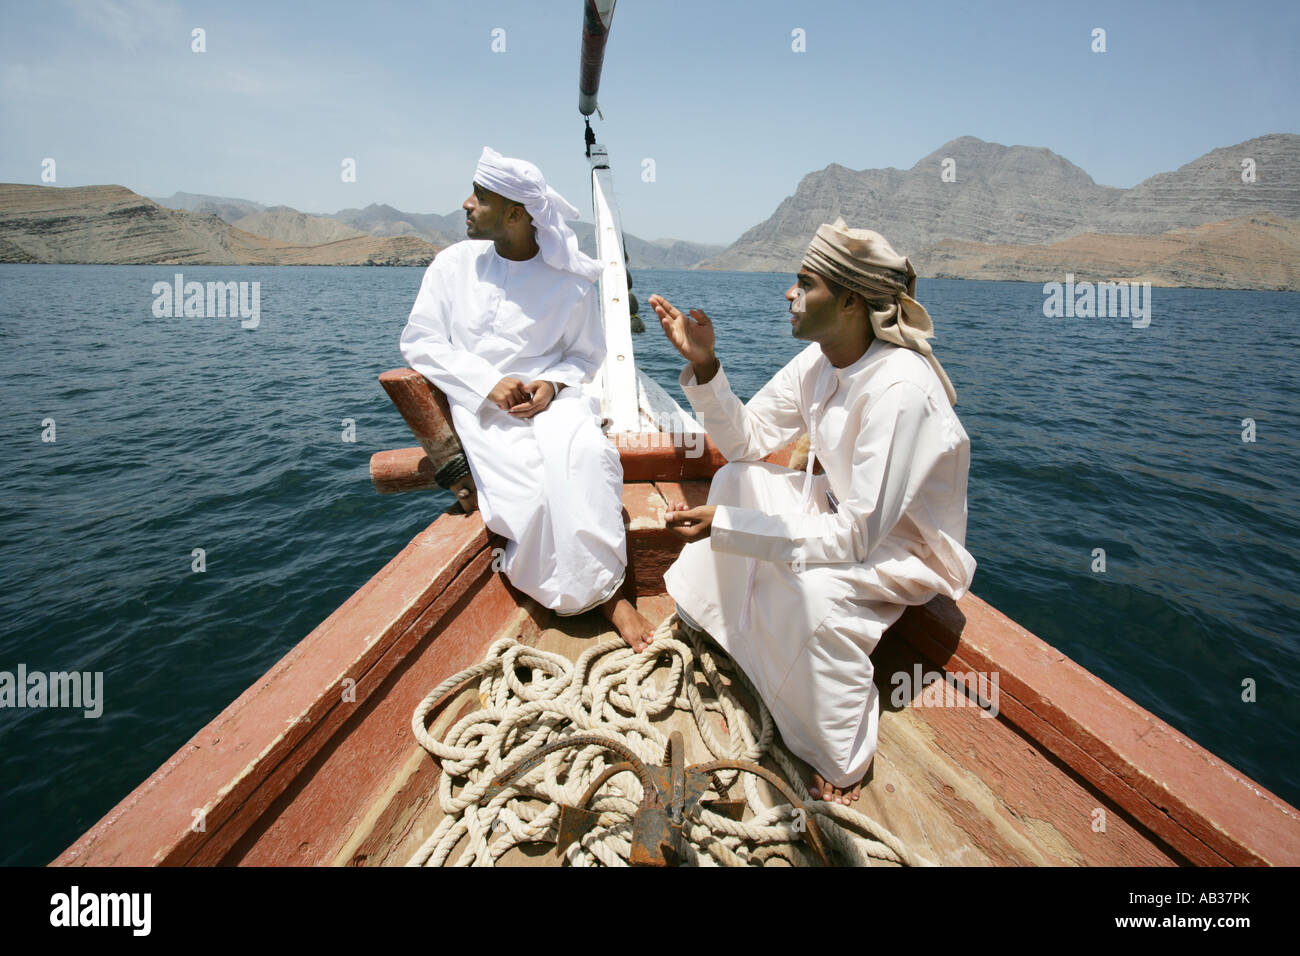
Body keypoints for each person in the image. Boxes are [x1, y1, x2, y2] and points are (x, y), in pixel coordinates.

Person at [648, 219, 976, 804]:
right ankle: (717, 626)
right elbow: (748, 442)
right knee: (736, 478)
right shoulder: (821, 362)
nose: (788, 294)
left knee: (816, 596)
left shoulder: (901, 390)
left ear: (850, 301)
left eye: (804, 283)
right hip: (839, 515)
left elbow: (856, 538)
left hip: (898, 550)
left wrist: (727, 528)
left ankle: (838, 756)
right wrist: (706, 366)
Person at [400, 147, 654, 651]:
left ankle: (609, 594)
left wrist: (552, 385)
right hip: (484, 409)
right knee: (532, 493)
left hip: (552, 402)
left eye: (480, 196)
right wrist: (483, 382)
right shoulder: (453, 266)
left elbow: (585, 357)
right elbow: (420, 341)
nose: (466, 204)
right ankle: (561, 591)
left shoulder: (571, 282)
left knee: (587, 457)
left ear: (516, 214)